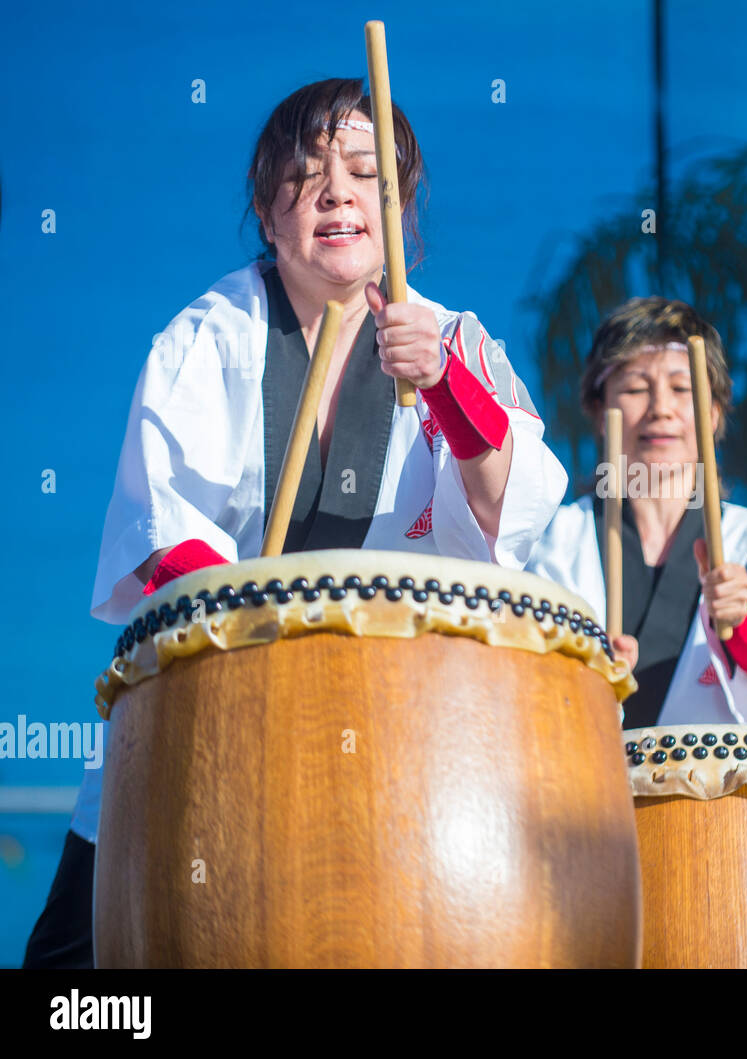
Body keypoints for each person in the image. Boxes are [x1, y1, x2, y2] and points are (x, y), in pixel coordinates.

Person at [23, 77, 567, 967]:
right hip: (216, 710)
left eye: (364, 173)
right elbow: (164, 531)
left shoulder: (454, 342)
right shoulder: (208, 337)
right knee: (86, 974)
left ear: (400, 211)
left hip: (395, 734)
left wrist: (445, 385)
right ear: (268, 216)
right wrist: (274, 639)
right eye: (306, 176)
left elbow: (515, 508)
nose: (338, 193)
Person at [525, 297, 747, 731]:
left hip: (720, 797)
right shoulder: (554, 541)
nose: (660, 408)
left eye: (681, 388)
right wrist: (584, 673)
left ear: (714, 412)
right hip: (585, 790)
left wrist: (742, 626)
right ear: (597, 409)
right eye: (634, 388)